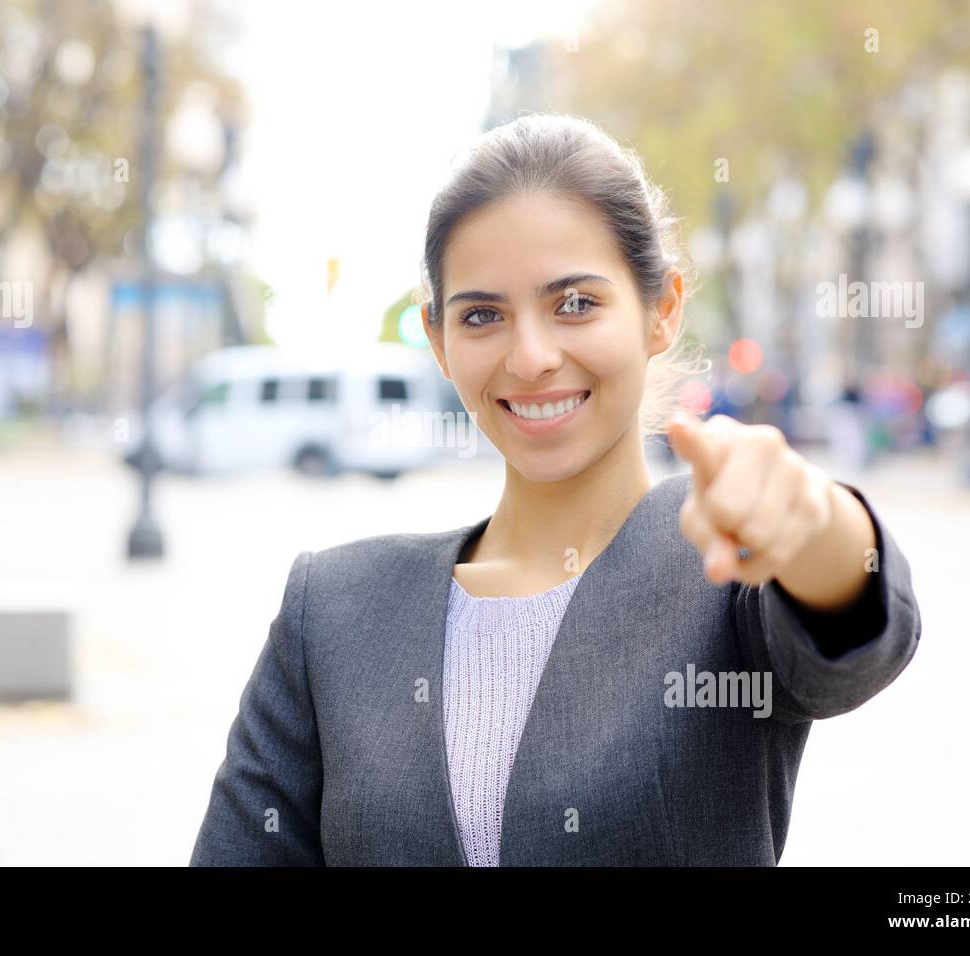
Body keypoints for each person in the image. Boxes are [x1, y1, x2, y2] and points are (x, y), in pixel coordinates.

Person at [189, 113, 921, 866]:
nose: (531, 356)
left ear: (662, 308)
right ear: (439, 341)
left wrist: (810, 517)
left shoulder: (724, 569)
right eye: (482, 316)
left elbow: (854, 630)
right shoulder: (334, 611)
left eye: (575, 303)